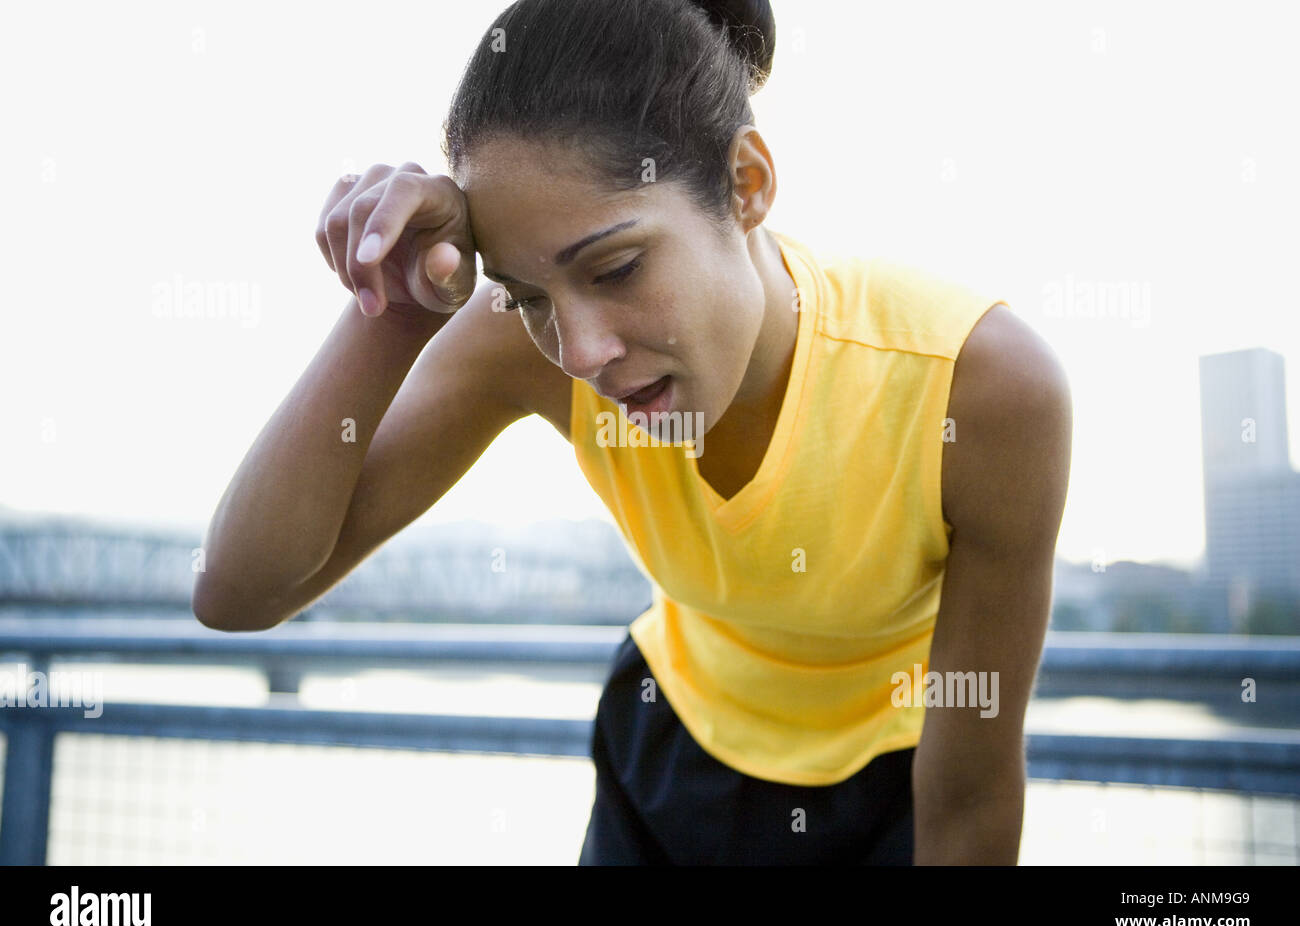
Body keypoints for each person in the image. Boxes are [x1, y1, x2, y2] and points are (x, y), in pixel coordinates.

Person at [193, 0, 1072, 865]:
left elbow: (971, 797)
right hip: (665, 760)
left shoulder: (979, 391)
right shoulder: (518, 344)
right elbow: (239, 594)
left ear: (747, 183)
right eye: (530, 295)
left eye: (615, 267)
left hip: (896, 790)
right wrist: (392, 312)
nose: (579, 353)